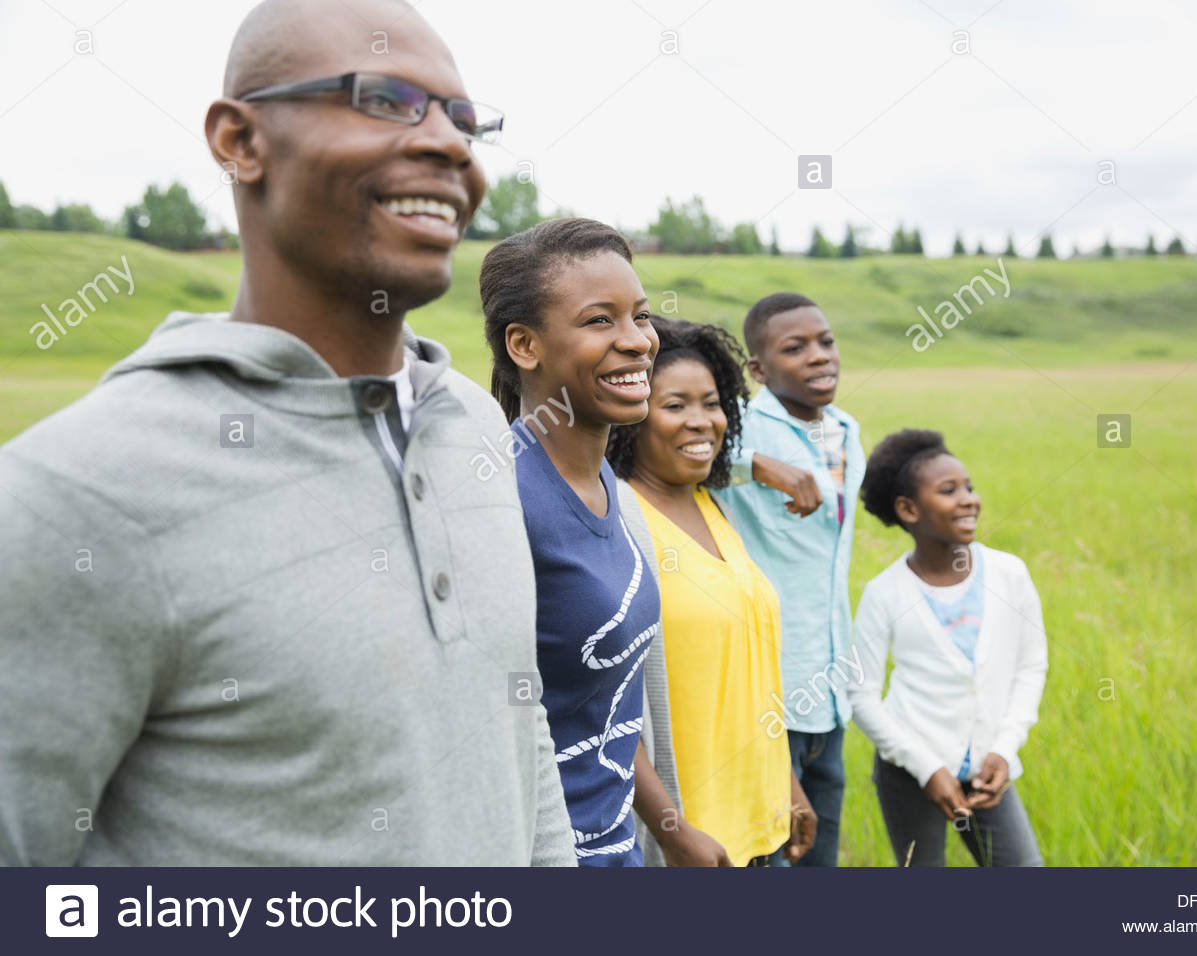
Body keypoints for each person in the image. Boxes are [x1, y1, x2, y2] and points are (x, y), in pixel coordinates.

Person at [0, 0, 575, 866]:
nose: (451, 145)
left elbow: (517, 737)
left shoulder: (475, 428)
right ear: (239, 141)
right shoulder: (73, 494)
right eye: (384, 99)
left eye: (463, 120)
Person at [480, 218, 662, 865]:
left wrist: (669, 827)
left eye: (639, 316)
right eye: (599, 321)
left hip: (616, 850)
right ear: (525, 345)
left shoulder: (607, 482)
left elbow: (604, 706)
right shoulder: (499, 501)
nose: (638, 341)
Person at [606, 316, 817, 867]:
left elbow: (747, 675)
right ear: (632, 416)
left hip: (761, 828)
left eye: (713, 403)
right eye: (675, 406)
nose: (702, 422)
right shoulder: (620, 522)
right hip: (689, 844)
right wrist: (673, 832)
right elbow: (597, 702)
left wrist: (788, 789)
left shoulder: (712, 506)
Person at [713, 292, 866, 866]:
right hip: (769, 690)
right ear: (758, 369)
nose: (819, 356)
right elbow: (680, 455)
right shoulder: (742, 429)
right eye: (794, 348)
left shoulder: (847, 431)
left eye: (825, 342)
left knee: (820, 856)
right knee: (773, 855)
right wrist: (758, 465)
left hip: (830, 686)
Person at [848, 428, 1047, 866]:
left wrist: (1004, 749)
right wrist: (927, 768)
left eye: (969, 488)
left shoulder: (1010, 575)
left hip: (989, 768)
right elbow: (860, 694)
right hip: (911, 773)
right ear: (908, 509)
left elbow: (1030, 667)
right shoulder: (886, 593)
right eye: (949, 491)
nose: (968, 499)